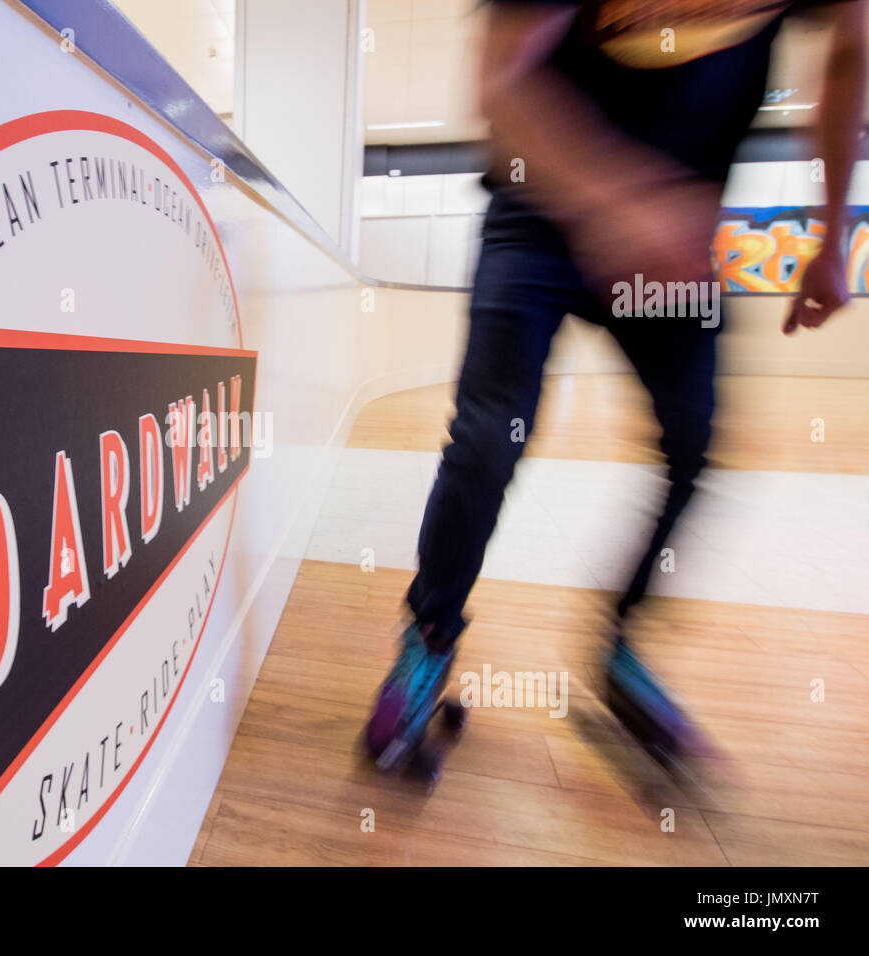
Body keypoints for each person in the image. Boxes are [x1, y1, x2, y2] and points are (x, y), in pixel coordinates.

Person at [366, 0, 865, 774]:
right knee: (489, 438)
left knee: (695, 441)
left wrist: (831, 237)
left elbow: (847, 55)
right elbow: (501, 81)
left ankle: (620, 646)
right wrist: (619, 204)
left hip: (679, 242)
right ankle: (427, 637)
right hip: (538, 216)